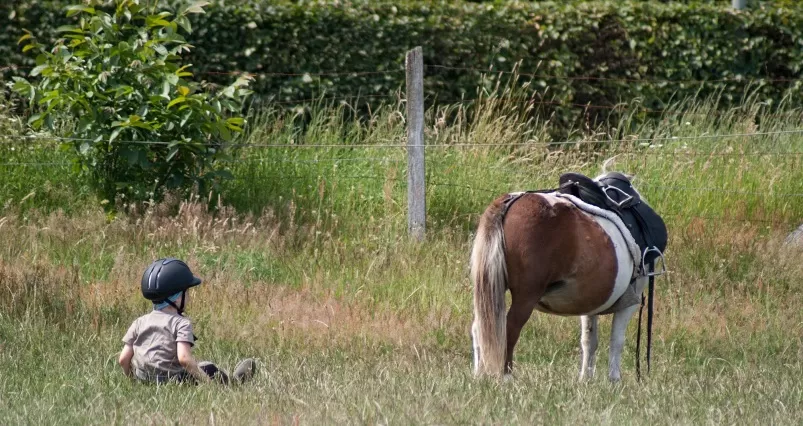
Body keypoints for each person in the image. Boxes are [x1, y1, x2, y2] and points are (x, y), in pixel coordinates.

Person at [118, 257, 256, 385]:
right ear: (177, 298)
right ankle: (234, 383)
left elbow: (123, 359)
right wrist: (209, 384)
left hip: (144, 379)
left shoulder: (139, 322)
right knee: (208, 367)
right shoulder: (181, 323)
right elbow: (184, 359)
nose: (189, 297)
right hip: (172, 381)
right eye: (187, 293)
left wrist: (133, 381)